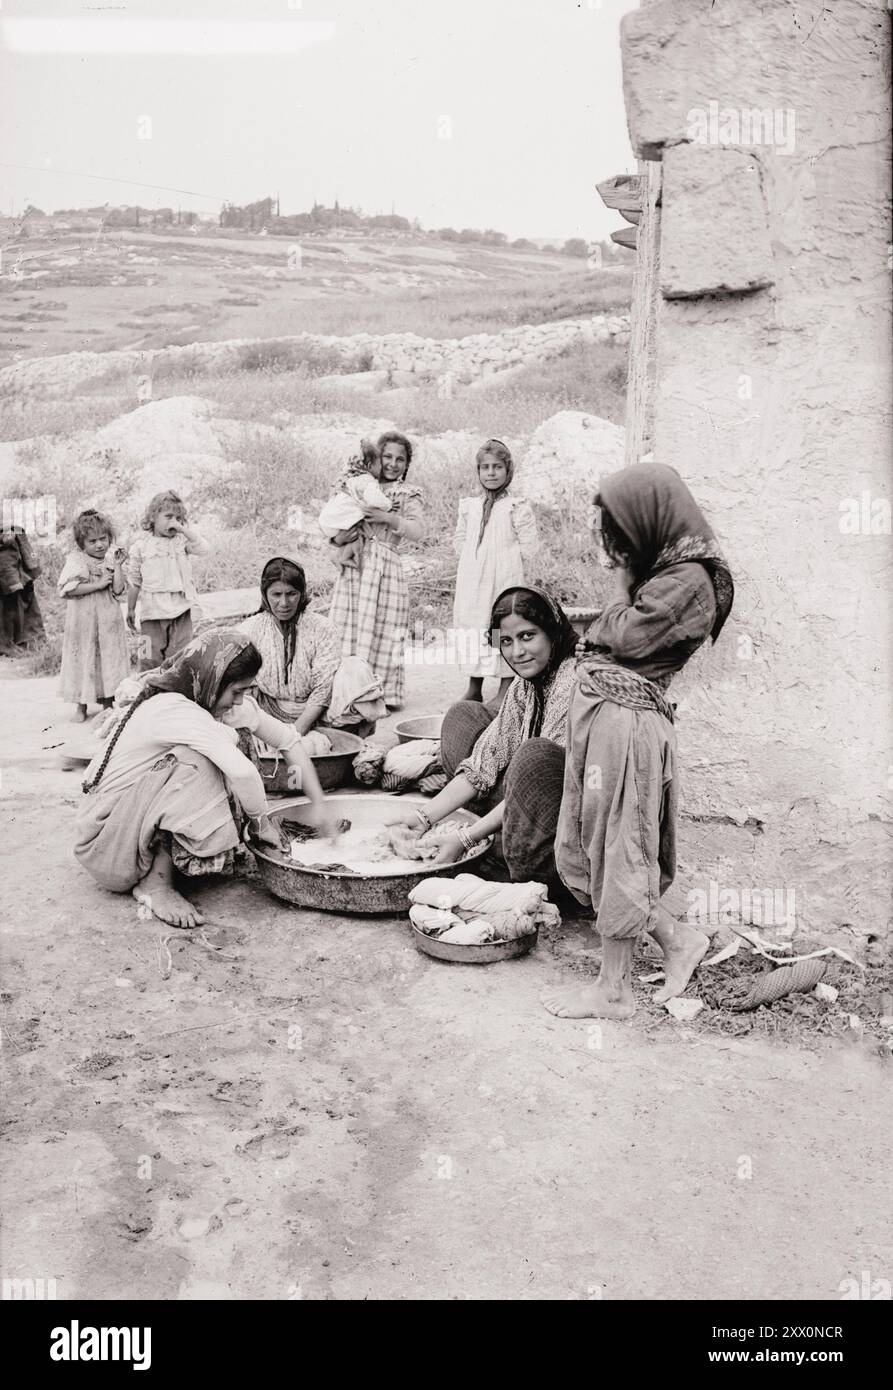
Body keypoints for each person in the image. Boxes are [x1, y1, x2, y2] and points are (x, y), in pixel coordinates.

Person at [542, 462, 735, 1021]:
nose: (617, 547)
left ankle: (614, 993)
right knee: (600, 845)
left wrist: (622, 583)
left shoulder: (688, 582)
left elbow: (619, 637)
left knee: (622, 846)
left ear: (651, 517)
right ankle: (677, 941)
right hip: (607, 721)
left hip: (627, 728)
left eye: (622, 532)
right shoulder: (666, 576)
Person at [75, 630, 336, 929]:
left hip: (132, 830)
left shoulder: (216, 704)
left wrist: (321, 806)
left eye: (245, 691)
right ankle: (155, 885)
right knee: (201, 760)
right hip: (107, 843)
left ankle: (174, 865)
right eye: (235, 691)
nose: (240, 701)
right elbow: (242, 772)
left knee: (237, 739)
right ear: (211, 679)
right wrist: (261, 824)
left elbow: (289, 741)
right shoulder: (172, 709)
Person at [386, 585, 578, 888]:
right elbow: (483, 762)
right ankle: (497, 832)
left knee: (534, 756)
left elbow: (553, 780)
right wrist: (423, 818)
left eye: (528, 636)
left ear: (552, 633)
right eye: (506, 641)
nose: (517, 651)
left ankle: (517, 851)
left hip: (569, 822)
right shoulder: (523, 685)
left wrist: (464, 837)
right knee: (462, 716)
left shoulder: (574, 683)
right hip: (523, 798)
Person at [328, 430, 423, 712]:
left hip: (387, 566)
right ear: (375, 459)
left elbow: (418, 531)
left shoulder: (407, 494)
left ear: (407, 464)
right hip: (357, 566)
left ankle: (383, 690)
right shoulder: (359, 487)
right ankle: (346, 687)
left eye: (400, 459)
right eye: (387, 457)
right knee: (350, 624)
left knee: (385, 626)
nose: (393, 464)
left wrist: (389, 518)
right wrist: (338, 540)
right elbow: (336, 522)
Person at [452, 439, 539, 706]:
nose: (491, 473)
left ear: (508, 470)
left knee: (501, 626)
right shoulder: (470, 506)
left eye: (497, 467)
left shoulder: (516, 506)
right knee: (473, 624)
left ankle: (505, 686)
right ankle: (474, 685)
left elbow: (530, 546)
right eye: (485, 467)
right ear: (478, 472)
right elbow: (459, 539)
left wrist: (506, 565)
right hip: (472, 581)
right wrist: (472, 562)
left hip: (503, 578)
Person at [237, 556, 341, 736]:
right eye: (276, 595)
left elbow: (324, 687)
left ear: (302, 593)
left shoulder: (323, 628)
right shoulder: (250, 629)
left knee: (356, 671)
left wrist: (294, 734)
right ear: (265, 594)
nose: (284, 603)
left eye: (291, 594)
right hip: (268, 713)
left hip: (318, 713)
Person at [57, 508, 130, 722]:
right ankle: (81, 705)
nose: (99, 545)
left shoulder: (110, 560)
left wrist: (118, 567)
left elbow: (118, 591)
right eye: (92, 541)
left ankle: (108, 701)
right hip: (83, 622)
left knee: (107, 659)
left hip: (108, 621)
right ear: (82, 544)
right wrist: (97, 584)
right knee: (84, 658)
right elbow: (69, 589)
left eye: (103, 539)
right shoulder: (77, 561)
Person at [126, 489, 208, 669]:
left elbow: (203, 549)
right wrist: (131, 609)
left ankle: (176, 692)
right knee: (147, 656)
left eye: (178, 518)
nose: (174, 522)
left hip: (181, 610)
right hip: (151, 614)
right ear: (153, 517)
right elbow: (134, 581)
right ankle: (146, 690)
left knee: (180, 658)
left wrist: (182, 529)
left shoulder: (180, 543)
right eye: (169, 517)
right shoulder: (141, 547)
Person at [318, 439, 392, 570]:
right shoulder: (368, 481)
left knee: (356, 531)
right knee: (357, 531)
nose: (383, 468)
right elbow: (375, 500)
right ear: (369, 466)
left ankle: (341, 556)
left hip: (329, 520)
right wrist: (388, 505)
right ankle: (344, 557)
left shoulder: (350, 479)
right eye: (380, 465)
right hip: (341, 521)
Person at [0, 526, 45, 654]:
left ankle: (30, 639)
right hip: (4, 552)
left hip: (14, 542)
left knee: (23, 590)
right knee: (9, 593)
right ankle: (7, 643)